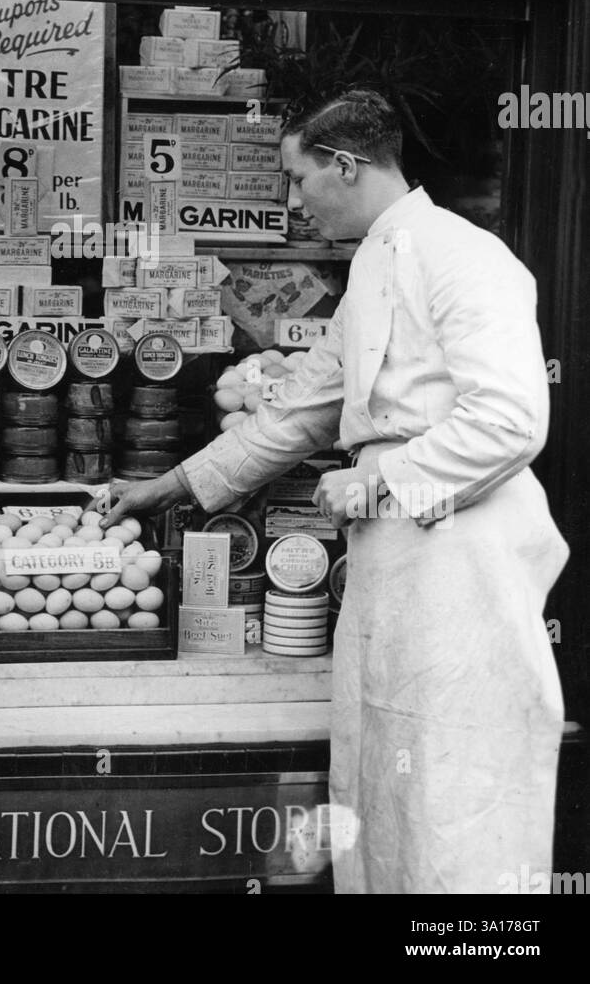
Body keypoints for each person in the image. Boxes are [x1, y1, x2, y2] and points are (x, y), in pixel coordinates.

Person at [108, 89, 569, 894]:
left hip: (463, 557)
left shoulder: (466, 256)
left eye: (296, 180)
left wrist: (382, 479)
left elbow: (508, 420)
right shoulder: (372, 270)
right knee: (384, 785)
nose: (292, 202)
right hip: (396, 561)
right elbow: (299, 412)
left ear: (345, 165)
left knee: (454, 796)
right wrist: (170, 486)